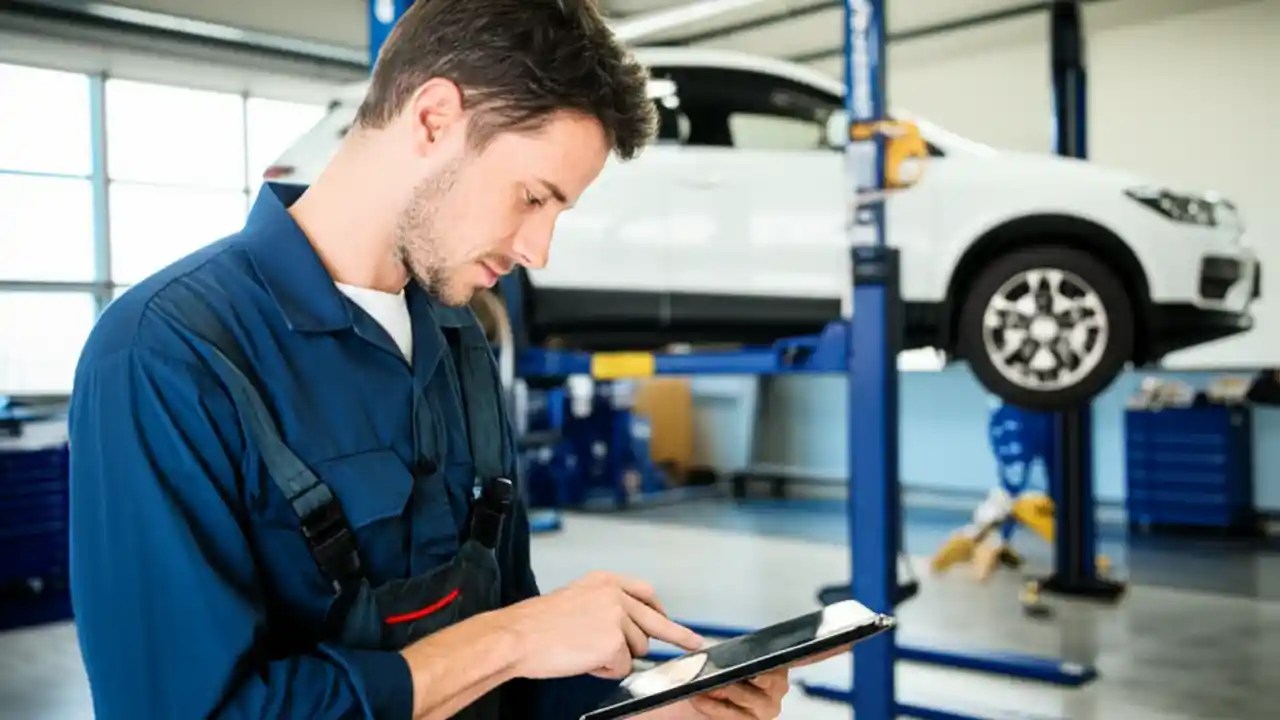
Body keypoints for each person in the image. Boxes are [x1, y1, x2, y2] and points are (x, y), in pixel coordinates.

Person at [66, 0, 794, 718]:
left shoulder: (459, 340)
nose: (538, 251)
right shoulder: (164, 357)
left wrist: (645, 710)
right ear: (434, 118)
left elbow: (504, 669)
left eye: (558, 212)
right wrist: (510, 639)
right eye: (532, 197)